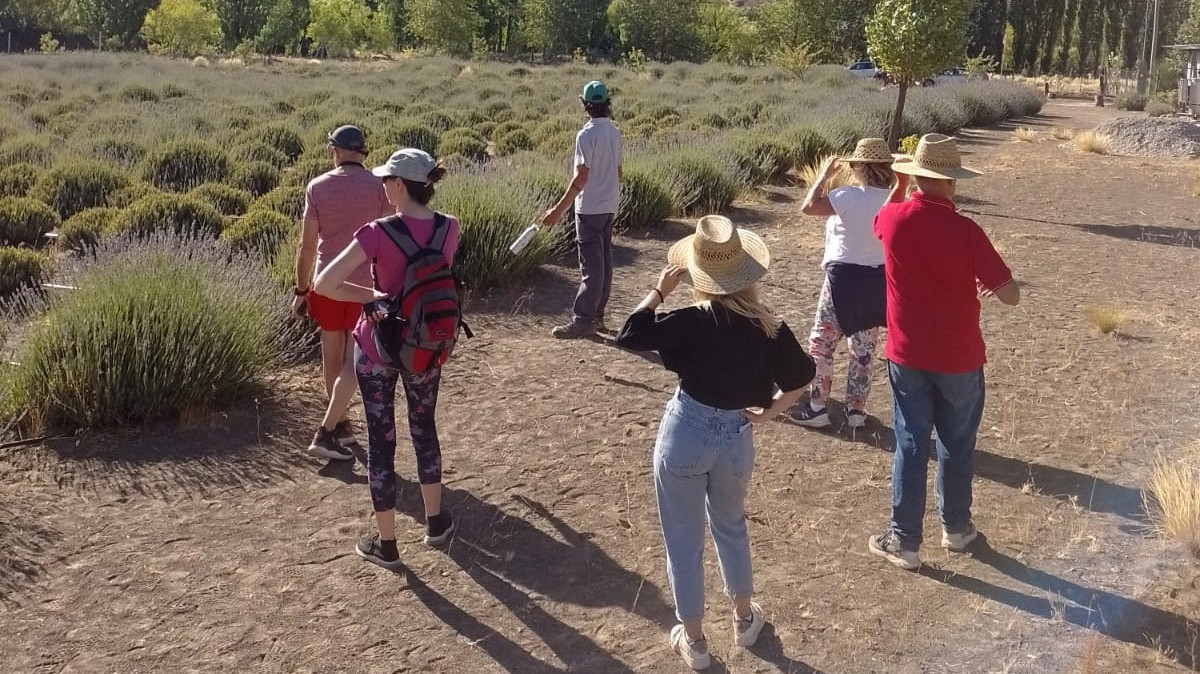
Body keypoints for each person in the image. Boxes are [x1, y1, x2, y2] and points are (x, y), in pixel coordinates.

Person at [615, 215, 815, 670]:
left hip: (685, 432)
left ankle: (696, 641)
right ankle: (745, 619)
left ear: (700, 274)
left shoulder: (691, 320)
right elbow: (803, 378)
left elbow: (630, 334)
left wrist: (659, 291)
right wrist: (768, 413)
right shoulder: (769, 326)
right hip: (736, 437)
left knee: (683, 540)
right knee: (731, 526)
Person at [867, 134, 1020, 571]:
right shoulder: (968, 231)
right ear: (951, 183)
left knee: (911, 443)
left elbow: (880, 218)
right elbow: (1010, 296)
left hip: (907, 354)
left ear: (915, 176)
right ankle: (956, 528)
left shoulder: (894, 220)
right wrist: (987, 285)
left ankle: (905, 541)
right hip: (960, 357)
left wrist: (898, 185)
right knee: (957, 443)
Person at [314, 148, 459, 569]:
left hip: (378, 349)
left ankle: (388, 544)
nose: (382, 186)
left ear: (399, 185)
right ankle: (435, 524)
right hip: (427, 347)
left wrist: (373, 297)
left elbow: (325, 283)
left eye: (386, 180)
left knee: (382, 442)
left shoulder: (377, 232)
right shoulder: (449, 228)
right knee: (424, 429)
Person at [295, 125, 392, 461]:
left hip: (327, 284)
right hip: (365, 287)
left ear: (333, 151)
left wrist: (301, 287)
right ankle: (338, 427)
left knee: (331, 358)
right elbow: (389, 236)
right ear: (362, 152)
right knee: (354, 361)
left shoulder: (316, 187)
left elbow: (307, 246)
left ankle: (340, 425)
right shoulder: (379, 187)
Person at [788, 138, 897, 430]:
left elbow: (808, 208)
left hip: (842, 280)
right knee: (862, 350)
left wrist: (823, 176)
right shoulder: (893, 199)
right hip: (877, 280)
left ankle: (817, 407)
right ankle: (856, 412)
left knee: (821, 344)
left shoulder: (847, 195)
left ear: (859, 166)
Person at [540, 80, 623, 339]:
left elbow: (581, 178)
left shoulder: (585, 135)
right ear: (607, 104)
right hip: (610, 204)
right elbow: (619, 172)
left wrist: (557, 210)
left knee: (591, 266)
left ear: (585, 105)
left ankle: (583, 319)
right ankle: (597, 316)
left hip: (589, 208)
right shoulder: (615, 132)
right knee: (605, 263)